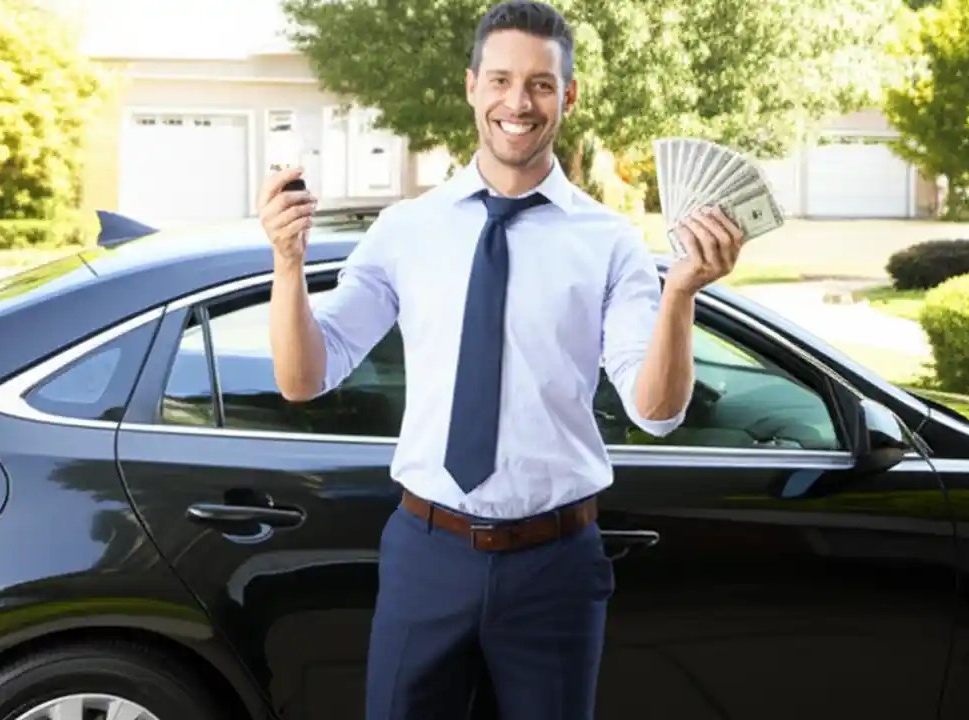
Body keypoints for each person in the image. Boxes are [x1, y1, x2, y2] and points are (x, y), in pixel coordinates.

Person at [256, 2, 745, 717]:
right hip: (428, 553)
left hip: (556, 564)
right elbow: (304, 377)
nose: (519, 103)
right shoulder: (406, 231)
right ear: (472, 86)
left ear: (568, 95)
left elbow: (657, 411)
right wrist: (286, 264)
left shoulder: (608, 243)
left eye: (541, 84)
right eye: (502, 80)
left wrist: (680, 295)